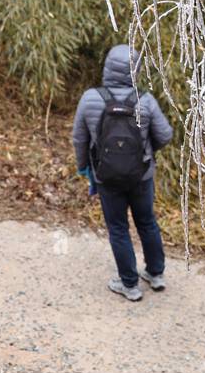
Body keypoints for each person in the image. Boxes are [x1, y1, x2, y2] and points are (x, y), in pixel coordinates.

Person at [72, 43, 173, 302]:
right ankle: (156, 274)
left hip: (107, 177)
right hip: (141, 175)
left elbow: (79, 139)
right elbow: (165, 134)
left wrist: (84, 167)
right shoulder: (145, 101)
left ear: (107, 68)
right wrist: (148, 152)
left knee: (118, 228)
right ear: (134, 71)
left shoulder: (90, 98)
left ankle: (129, 284)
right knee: (147, 222)